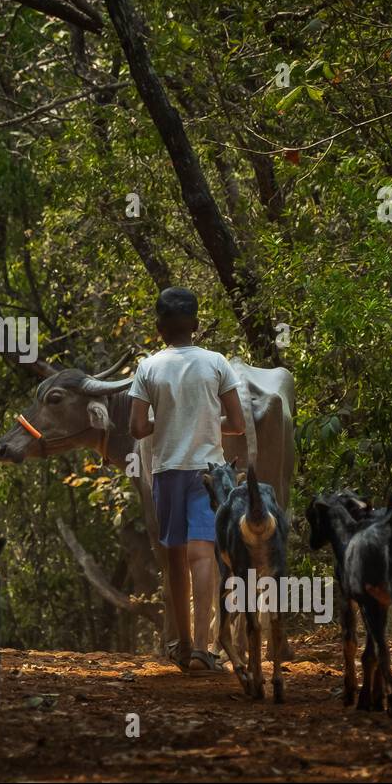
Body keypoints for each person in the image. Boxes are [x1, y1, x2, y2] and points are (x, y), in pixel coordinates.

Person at [128, 287, 245, 673]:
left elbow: (137, 427)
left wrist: (169, 421)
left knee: (174, 557)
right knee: (202, 554)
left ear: (159, 328)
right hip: (208, 473)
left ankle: (178, 647)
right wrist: (207, 423)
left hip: (167, 471)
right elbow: (238, 424)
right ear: (196, 325)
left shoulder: (147, 368)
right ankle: (201, 649)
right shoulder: (216, 363)